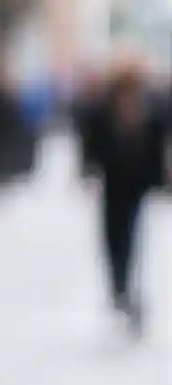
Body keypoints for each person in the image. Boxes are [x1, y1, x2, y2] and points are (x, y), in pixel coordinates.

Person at [95, 63, 167, 337]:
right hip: (113, 184)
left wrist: (160, 181)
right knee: (112, 237)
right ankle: (119, 287)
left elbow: (158, 150)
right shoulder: (105, 111)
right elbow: (95, 143)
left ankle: (125, 289)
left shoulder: (151, 112)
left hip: (136, 186)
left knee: (130, 238)